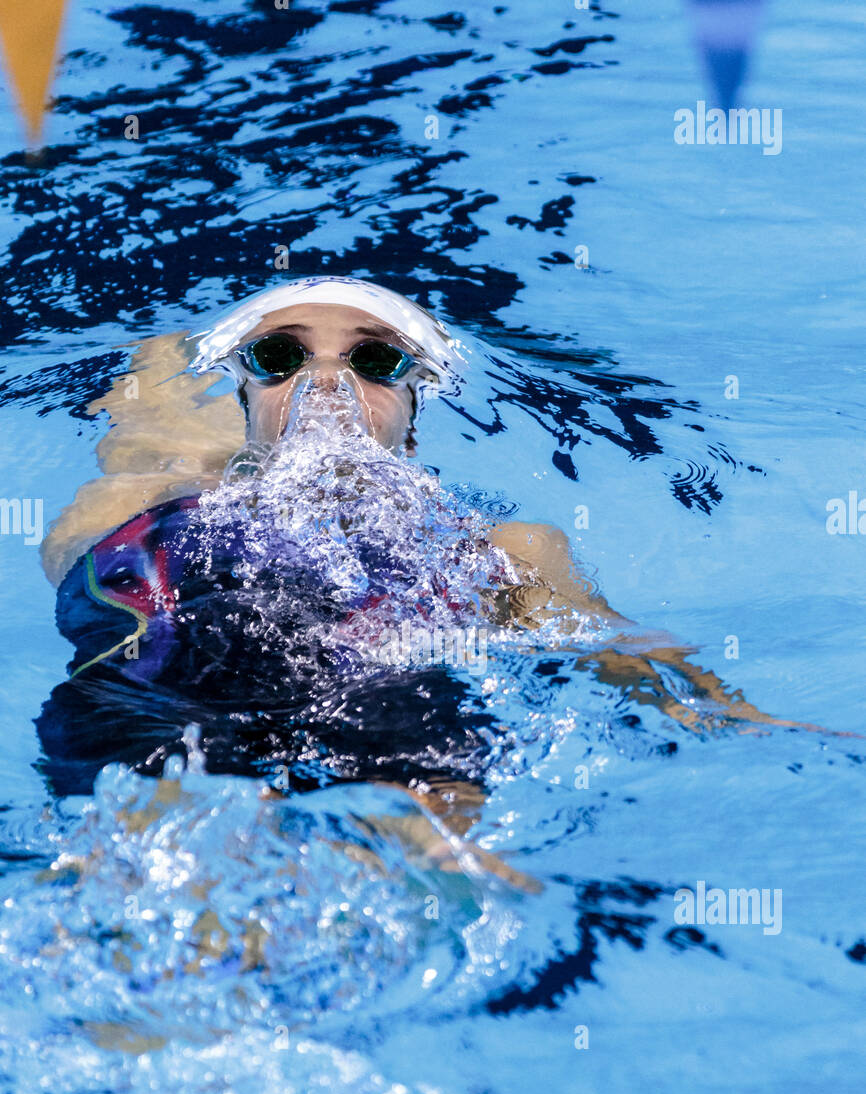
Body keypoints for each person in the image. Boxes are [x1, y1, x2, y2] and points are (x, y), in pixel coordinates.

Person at [36, 276, 817, 819]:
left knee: (431, 843)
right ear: (244, 393)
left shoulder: (508, 546)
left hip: (391, 717)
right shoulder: (150, 507)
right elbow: (154, 403)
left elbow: (622, 650)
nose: (327, 383)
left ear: (414, 411)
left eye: (375, 360)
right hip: (160, 693)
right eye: (282, 357)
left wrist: (754, 725)